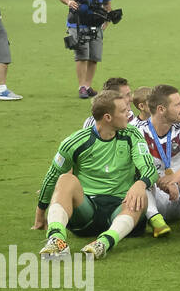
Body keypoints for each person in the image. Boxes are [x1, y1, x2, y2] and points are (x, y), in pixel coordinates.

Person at [36, 89, 159, 259]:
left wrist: (141, 183)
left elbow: (149, 168)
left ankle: (104, 243)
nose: (129, 114)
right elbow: (52, 177)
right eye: (123, 111)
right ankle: (57, 239)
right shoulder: (75, 142)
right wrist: (40, 214)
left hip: (121, 208)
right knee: (65, 179)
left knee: (141, 196)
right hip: (87, 213)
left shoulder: (132, 135)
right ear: (108, 117)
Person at [137, 84, 180, 237]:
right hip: (152, 196)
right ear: (161, 109)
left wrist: (176, 177)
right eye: (178, 104)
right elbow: (137, 165)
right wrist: (160, 180)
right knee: (137, 177)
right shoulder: (137, 131)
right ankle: (155, 220)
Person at [58, 0, 112, 99]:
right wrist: (69, 2)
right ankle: (81, 86)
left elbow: (107, 2)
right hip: (78, 22)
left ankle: (88, 86)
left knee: (94, 57)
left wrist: (107, 19)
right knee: (82, 55)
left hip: (96, 23)